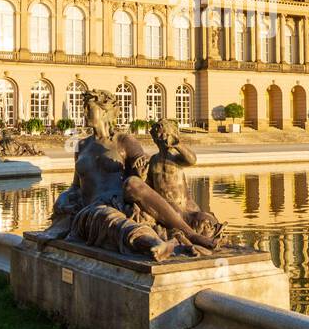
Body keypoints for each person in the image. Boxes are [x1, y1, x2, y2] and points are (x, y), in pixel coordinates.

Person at [46, 91, 221, 260]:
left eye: (89, 108)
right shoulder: (81, 146)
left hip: (120, 200)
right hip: (94, 206)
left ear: (105, 112)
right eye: (84, 108)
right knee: (108, 218)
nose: (84, 112)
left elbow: (142, 166)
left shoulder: (124, 141)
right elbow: (76, 185)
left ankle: (189, 234)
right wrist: (64, 197)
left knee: (133, 182)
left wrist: (141, 170)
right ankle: (155, 243)